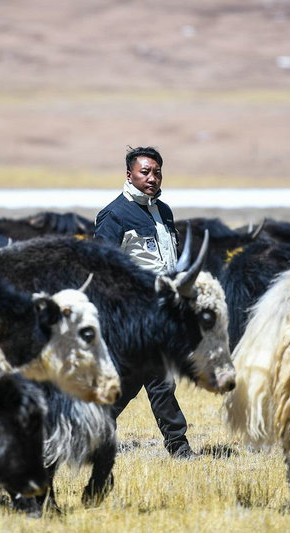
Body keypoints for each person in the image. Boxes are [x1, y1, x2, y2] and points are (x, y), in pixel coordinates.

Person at [94, 145, 194, 459]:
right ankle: (179, 446)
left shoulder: (164, 211)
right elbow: (103, 268)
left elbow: (170, 262)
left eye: (157, 172)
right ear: (129, 175)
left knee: (140, 377)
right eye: (145, 172)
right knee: (157, 377)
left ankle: (93, 428)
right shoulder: (114, 214)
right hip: (133, 314)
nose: (152, 178)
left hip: (163, 312)